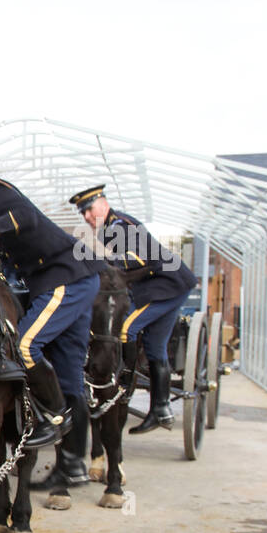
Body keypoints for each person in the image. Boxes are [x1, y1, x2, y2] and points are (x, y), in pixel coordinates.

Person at [0, 176, 103, 486]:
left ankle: (51, 420)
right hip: (71, 279)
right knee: (69, 376)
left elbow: (26, 217)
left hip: (65, 278)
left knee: (24, 346)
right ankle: (72, 467)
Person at [70, 184, 198, 433]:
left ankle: (122, 383)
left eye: (89, 209)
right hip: (172, 285)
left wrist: (101, 263)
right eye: (82, 213)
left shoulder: (119, 227)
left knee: (125, 329)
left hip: (166, 286)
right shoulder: (112, 227)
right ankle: (161, 409)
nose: (86, 217)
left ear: (103, 204)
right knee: (155, 347)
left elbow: (137, 261)